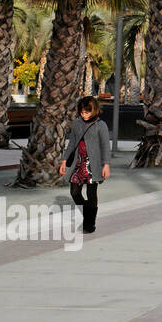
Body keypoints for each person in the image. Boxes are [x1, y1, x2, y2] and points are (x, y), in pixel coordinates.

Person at [58, 96, 111, 234]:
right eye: (82, 112)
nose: (84, 115)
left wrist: (106, 165)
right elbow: (71, 144)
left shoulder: (101, 125)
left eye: (87, 112)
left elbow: (105, 147)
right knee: (74, 192)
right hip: (78, 162)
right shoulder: (77, 123)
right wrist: (64, 161)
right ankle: (89, 216)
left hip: (93, 164)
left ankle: (90, 224)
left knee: (91, 193)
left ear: (94, 111)